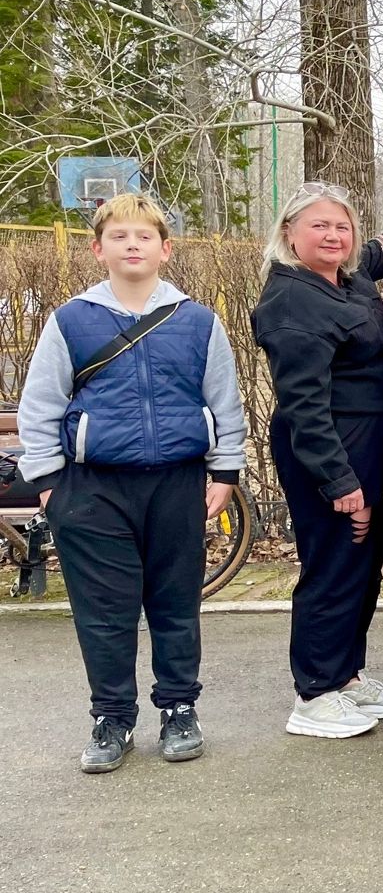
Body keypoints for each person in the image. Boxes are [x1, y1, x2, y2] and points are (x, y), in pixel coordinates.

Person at [15, 193, 246, 773]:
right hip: (92, 490)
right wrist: (48, 482)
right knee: (104, 610)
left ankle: (179, 708)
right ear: (98, 249)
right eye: (119, 236)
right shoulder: (71, 320)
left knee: (174, 603)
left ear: (166, 249)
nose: (132, 245)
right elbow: (41, 403)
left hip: (177, 483)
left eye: (144, 236)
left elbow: (224, 399)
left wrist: (224, 469)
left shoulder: (197, 320)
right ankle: (112, 717)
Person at [253, 183, 383, 739]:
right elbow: (303, 402)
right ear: (289, 234)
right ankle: (315, 692)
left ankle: (346, 676)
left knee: (362, 567)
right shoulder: (291, 298)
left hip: (367, 450)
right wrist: (338, 478)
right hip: (329, 453)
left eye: (341, 226)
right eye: (319, 226)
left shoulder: (347, 282)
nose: (332, 236)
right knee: (331, 567)